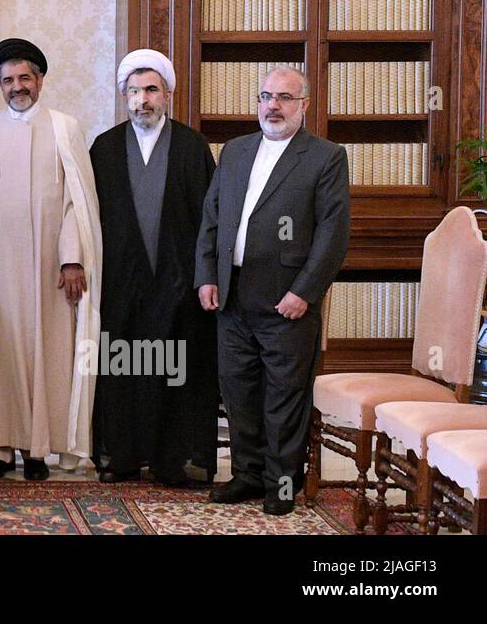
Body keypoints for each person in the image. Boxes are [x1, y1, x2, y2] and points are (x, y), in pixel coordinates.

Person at [195, 66, 350, 515]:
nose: (273, 106)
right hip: (232, 294)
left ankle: (281, 484)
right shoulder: (236, 151)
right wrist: (206, 275)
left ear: (303, 105)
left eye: (284, 97)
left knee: (284, 396)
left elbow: (333, 235)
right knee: (238, 391)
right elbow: (212, 218)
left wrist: (305, 291)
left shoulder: (325, 157)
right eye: (266, 96)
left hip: (287, 301)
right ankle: (246, 474)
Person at [0, 38, 102, 480]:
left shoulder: (65, 129)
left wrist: (71, 259)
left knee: (47, 353)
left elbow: (78, 202)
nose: (17, 87)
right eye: (8, 80)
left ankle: (39, 449)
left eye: (24, 78)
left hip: (50, 269)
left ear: (40, 80)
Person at [89, 49, 218, 485]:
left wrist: (205, 276)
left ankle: (176, 462)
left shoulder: (191, 146)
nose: (142, 99)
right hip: (121, 283)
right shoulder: (104, 148)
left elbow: (210, 220)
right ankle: (121, 457)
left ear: (167, 94)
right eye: (134, 91)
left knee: (175, 368)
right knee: (124, 367)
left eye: (151, 90)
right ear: (124, 96)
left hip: (178, 283)